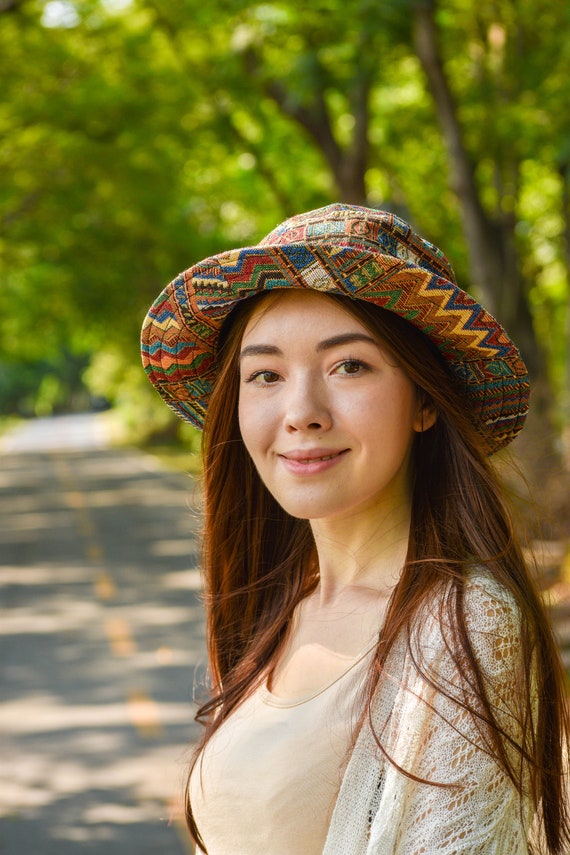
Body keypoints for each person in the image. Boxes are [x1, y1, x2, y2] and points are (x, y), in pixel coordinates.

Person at [141, 204, 569, 854]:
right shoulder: (286, 604)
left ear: (424, 400)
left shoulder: (466, 625)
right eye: (265, 375)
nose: (302, 412)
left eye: (350, 366)